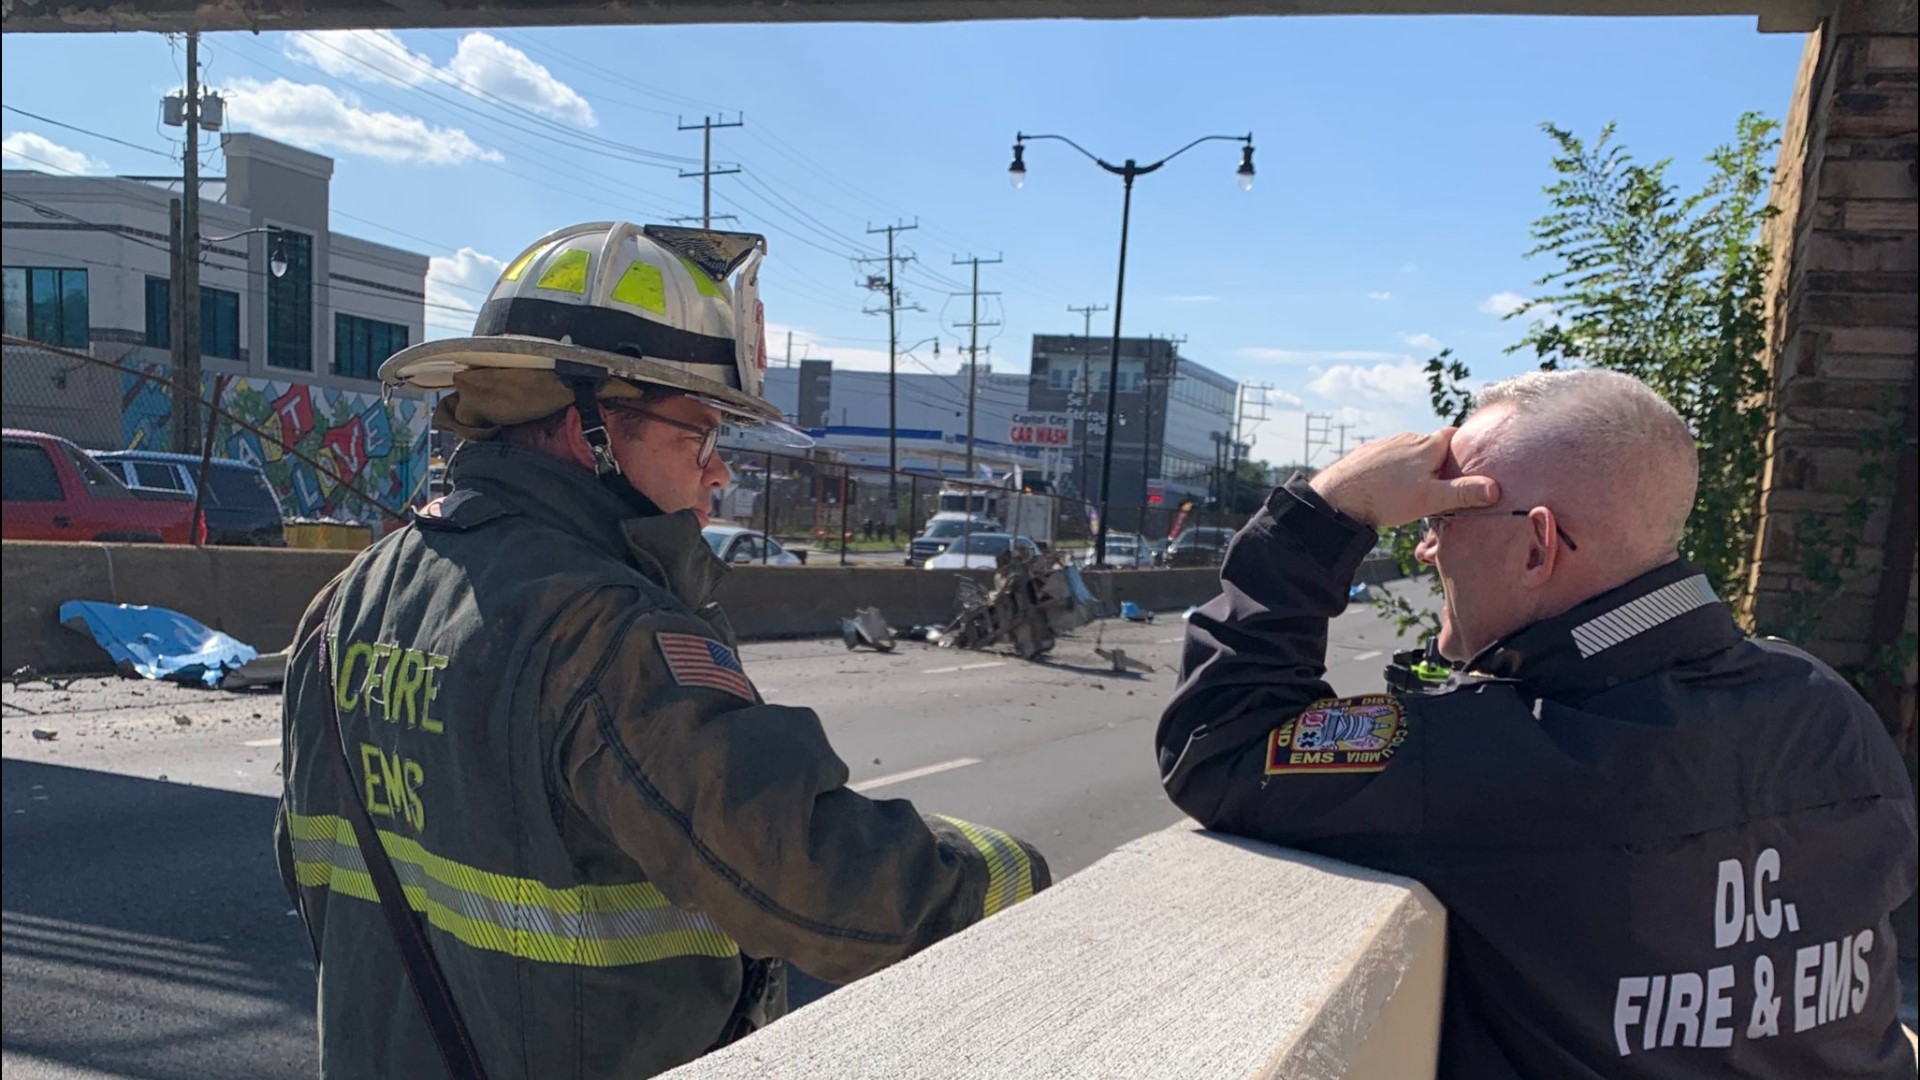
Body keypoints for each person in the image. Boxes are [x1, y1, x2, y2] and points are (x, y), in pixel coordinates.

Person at [277, 221, 1049, 1078]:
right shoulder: (604, 631)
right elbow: (805, 871)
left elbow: (313, 885)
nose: (719, 474)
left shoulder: (345, 604)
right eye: (700, 436)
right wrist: (1007, 875)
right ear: (590, 426)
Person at [1157, 369, 1917, 1079]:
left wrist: (1324, 515)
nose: (1425, 547)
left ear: (1537, 545)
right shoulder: (1823, 702)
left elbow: (1219, 740)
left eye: (1445, 518)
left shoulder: (1499, 754)